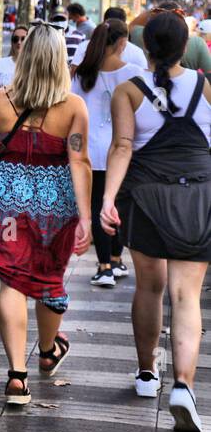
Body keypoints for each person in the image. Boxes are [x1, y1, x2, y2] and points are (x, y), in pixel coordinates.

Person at [101, 11, 211, 431]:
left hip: (145, 197)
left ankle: (148, 373)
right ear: (186, 47)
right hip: (198, 196)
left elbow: (122, 147)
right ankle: (183, 385)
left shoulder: (129, 91)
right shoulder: (205, 86)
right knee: (187, 295)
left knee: (150, 286)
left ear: (144, 47)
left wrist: (108, 199)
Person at [0, 26, 91, 405]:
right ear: (60, 61)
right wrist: (86, 218)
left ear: (23, 58)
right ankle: (46, 349)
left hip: (5, 201)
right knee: (49, 279)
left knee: (12, 282)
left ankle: (16, 376)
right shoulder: (73, 106)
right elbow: (80, 162)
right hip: (56, 207)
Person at [70, 19, 142, 288]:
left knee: (98, 206)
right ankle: (115, 258)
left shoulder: (82, 74)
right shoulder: (135, 72)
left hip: (91, 151)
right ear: (122, 43)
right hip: (123, 150)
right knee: (118, 204)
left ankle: (104, 266)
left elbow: (72, 112)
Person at [130, 1, 211, 73]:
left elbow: (131, 26)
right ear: (184, 47)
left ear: (145, 44)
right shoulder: (196, 43)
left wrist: (153, 10)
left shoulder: (141, 35)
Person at [70, 7, 145, 73]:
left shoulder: (84, 46)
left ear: (104, 22)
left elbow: (74, 75)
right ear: (124, 24)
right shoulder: (137, 52)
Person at [0, 24, 28, 90]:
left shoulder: (35, 65)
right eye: (15, 39)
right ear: (12, 42)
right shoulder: (0, 64)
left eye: (23, 39)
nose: (19, 42)